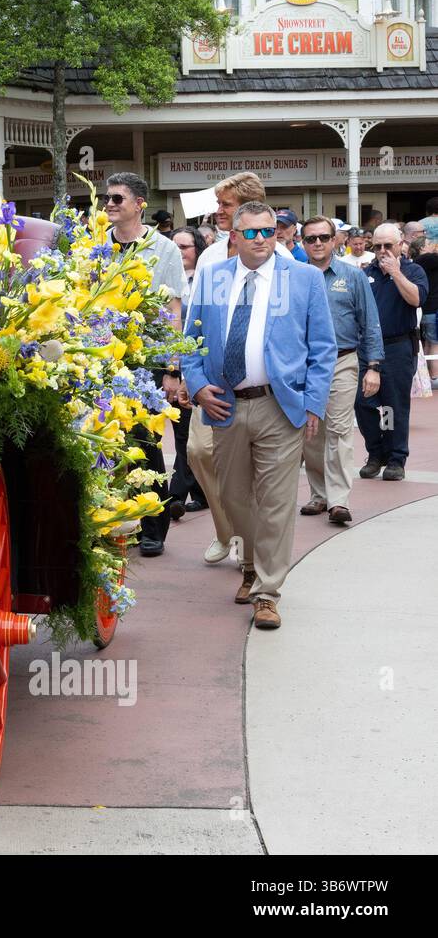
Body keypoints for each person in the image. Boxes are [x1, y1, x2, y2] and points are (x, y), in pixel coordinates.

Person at [181, 201, 336, 629]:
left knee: (276, 502)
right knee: (234, 497)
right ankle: (250, 561)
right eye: (251, 233)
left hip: (279, 406)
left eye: (269, 231)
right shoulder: (214, 278)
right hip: (225, 404)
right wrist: (196, 386)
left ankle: (267, 591)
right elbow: (190, 339)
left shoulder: (302, 279)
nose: (262, 240)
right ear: (235, 236)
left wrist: (313, 402)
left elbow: (322, 347)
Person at [190, 172, 292, 565]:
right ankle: (226, 529)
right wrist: (191, 379)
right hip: (214, 387)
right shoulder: (211, 259)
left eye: (226, 205)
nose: (219, 213)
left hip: (268, 396)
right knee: (199, 452)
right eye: (219, 206)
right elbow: (194, 325)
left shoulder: (285, 266)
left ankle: (253, 559)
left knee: (261, 484)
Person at [103, 172, 186, 558]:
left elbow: (172, 309)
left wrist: (172, 367)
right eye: (107, 198)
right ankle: (112, 521)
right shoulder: (95, 245)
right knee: (104, 443)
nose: (110, 204)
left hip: (145, 361)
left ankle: (154, 525)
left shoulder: (163, 249)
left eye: (118, 199)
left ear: (139, 204)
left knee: (145, 445)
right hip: (100, 360)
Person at [298, 215, 383, 525]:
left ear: (336, 240)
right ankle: (319, 495)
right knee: (310, 434)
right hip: (303, 367)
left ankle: (338, 501)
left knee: (339, 430)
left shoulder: (352, 276)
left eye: (323, 237)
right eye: (311, 238)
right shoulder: (294, 276)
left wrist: (373, 366)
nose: (318, 243)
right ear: (302, 243)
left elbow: (369, 322)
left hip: (342, 361)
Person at [355, 222, 429, 482]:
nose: (383, 251)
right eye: (378, 246)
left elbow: (416, 299)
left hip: (398, 346)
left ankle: (396, 458)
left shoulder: (413, 270)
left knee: (393, 405)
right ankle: (376, 453)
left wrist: (396, 273)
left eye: (388, 245)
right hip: (367, 346)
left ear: (400, 245)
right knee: (362, 403)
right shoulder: (365, 274)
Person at [164, 226, 208, 518]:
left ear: (197, 250)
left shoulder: (204, 281)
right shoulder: (164, 279)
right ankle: (202, 492)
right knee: (178, 434)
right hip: (167, 364)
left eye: (185, 247)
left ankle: (175, 495)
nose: (180, 252)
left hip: (193, 365)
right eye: (175, 246)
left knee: (186, 436)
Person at [414, 217, 438, 383]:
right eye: (430, 244)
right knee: (434, 342)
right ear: (423, 247)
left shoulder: (419, 261)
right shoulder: (427, 259)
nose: (434, 246)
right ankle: (435, 376)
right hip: (431, 307)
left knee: (429, 342)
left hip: (426, 307)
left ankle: (430, 375)